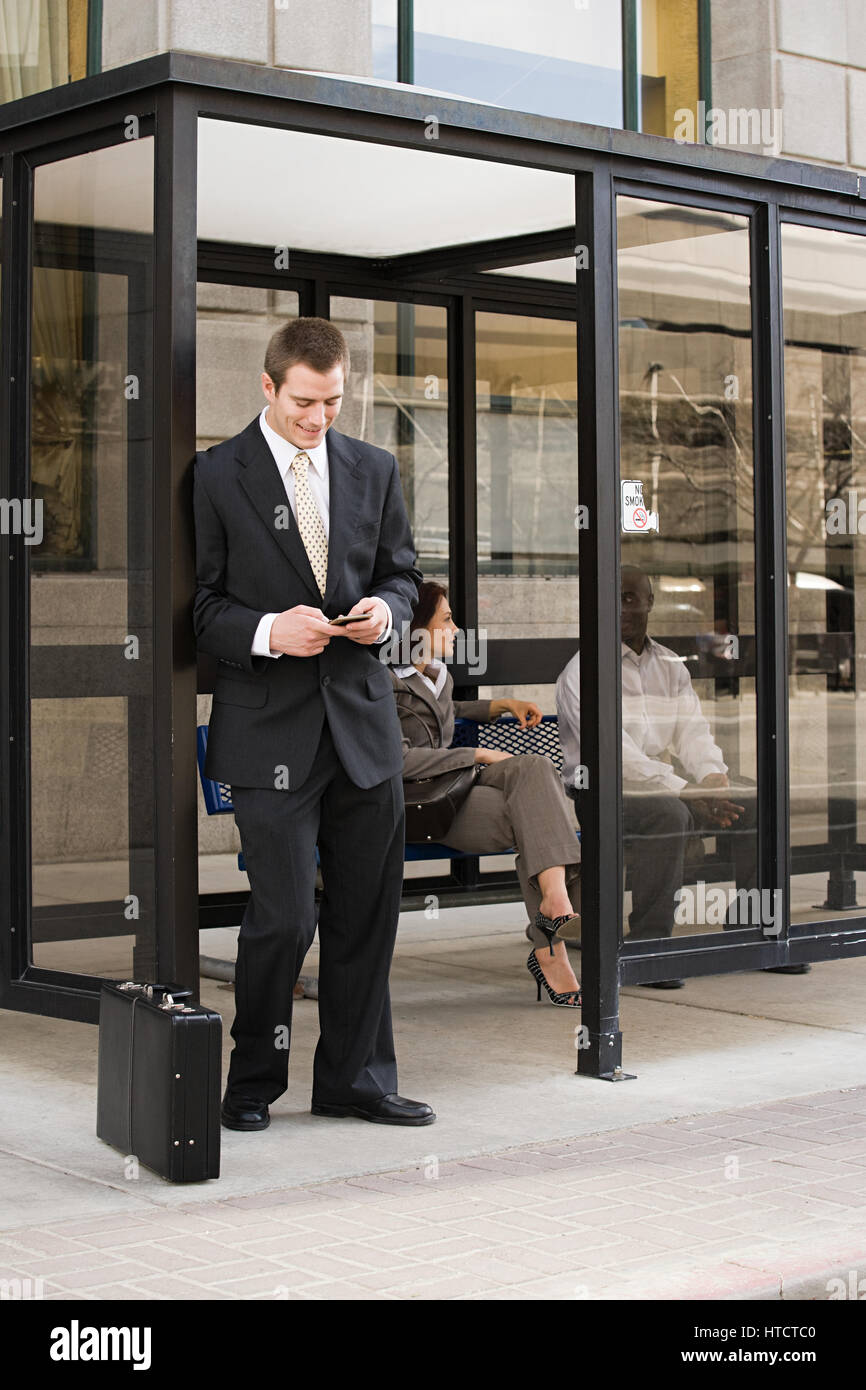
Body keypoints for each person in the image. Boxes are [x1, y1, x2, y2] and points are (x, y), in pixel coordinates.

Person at [193, 316, 435, 1132]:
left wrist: (383, 613)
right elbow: (195, 607)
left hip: (363, 729)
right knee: (287, 916)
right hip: (268, 733)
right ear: (268, 386)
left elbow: (404, 575)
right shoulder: (216, 474)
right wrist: (268, 633)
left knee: (368, 914)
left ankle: (355, 1081)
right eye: (304, 400)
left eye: (333, 400)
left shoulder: (374, 467)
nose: (319, 417)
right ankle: (253, 1077)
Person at [555, 565, 809, 985]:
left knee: (758, 800)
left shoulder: (671, 666)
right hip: (602, 790)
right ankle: (647, 948)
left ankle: (754, 931)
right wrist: (686, 791)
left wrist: (711, 778)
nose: (623, 608)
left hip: (667, 785)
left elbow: (693, 732)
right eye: (615, 598)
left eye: (632, 598)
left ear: (651, 603)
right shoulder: (582, 672)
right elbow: (616, 756)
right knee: (669, 815)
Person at [389, 581, 583, 1006]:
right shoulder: (384, 683)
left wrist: (502, 705)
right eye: (446, 620)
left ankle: (555, 906)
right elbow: (394, 761)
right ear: (416, 628)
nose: (456, 629)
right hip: (421, 804)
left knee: (534, 769)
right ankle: (551, 938)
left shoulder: (437, 675)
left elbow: (449, 711)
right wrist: (474, 753)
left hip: (454, 788)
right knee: (533, 816)